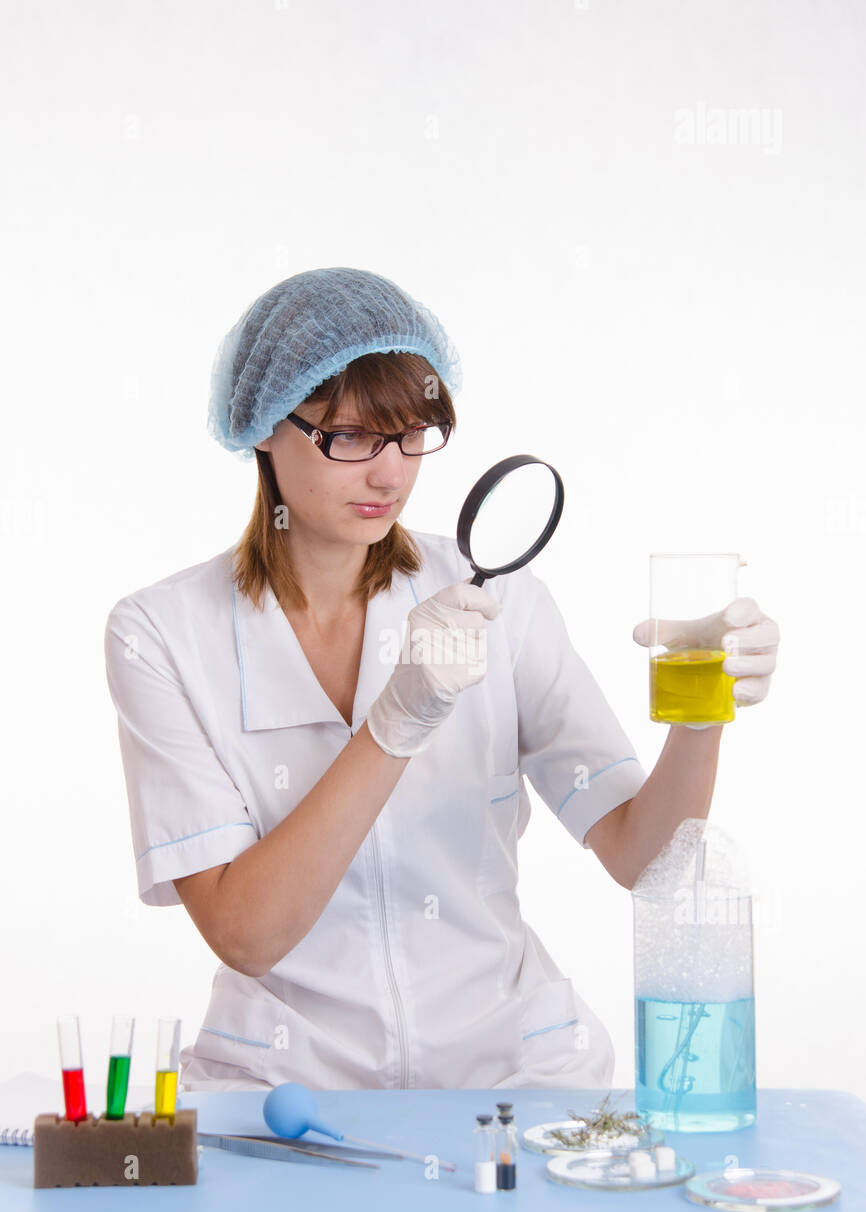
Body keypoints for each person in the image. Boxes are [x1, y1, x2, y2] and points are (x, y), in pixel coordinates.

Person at [104, 266, 780, 1092]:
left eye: (412, 434)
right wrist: (394, 725)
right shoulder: (162, 635)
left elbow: (643, 858)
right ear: (262, 428)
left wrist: (700, 709)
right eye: (349, 437)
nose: (390, 475)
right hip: (282, 1098)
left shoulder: (498, 602)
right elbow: (247, 934)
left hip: (516, 1078)